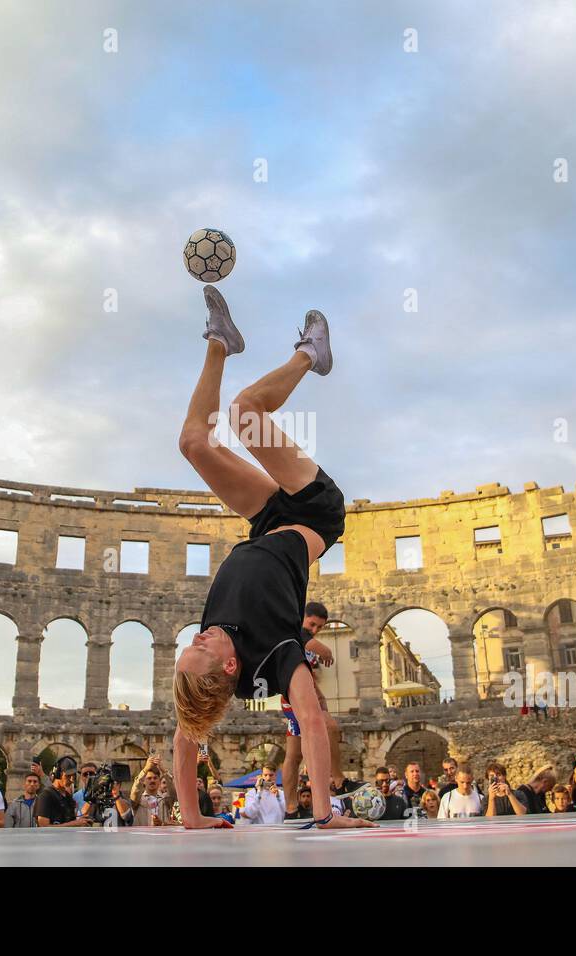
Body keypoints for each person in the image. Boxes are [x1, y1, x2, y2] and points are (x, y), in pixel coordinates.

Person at [170, 286, 370, 830]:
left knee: (192, 443)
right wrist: (326, 814)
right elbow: (310, 719)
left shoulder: (212, 651)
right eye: (201, 649)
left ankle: (220, 342)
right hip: (311, 511)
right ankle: (310, 355)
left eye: (191, 644)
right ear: (230, 668)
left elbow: (187, 736)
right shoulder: (277, 656)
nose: (198, 637)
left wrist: (191, 816)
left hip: (263, 518)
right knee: (246, 412)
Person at [280, 601, 349, 816]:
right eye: (312, 624)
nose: (315, 630)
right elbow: (310, 643)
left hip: (297, 696)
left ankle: (291, 808)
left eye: (320, 627)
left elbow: (307, 675)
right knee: (329, 726)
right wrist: (326, 650)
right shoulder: (295, 631)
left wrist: (322, 700)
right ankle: (338, 780)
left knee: (293, 755)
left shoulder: (307, 639)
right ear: (303, 618)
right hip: (292, 698)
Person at [33, 758, 89, 827]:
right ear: (58, 774)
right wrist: (74, 823)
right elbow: (43, 826)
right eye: (68, 776)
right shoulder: (45, 796)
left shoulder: (68, 797)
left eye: (73, 776)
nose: (72, 780)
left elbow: (72, 821)